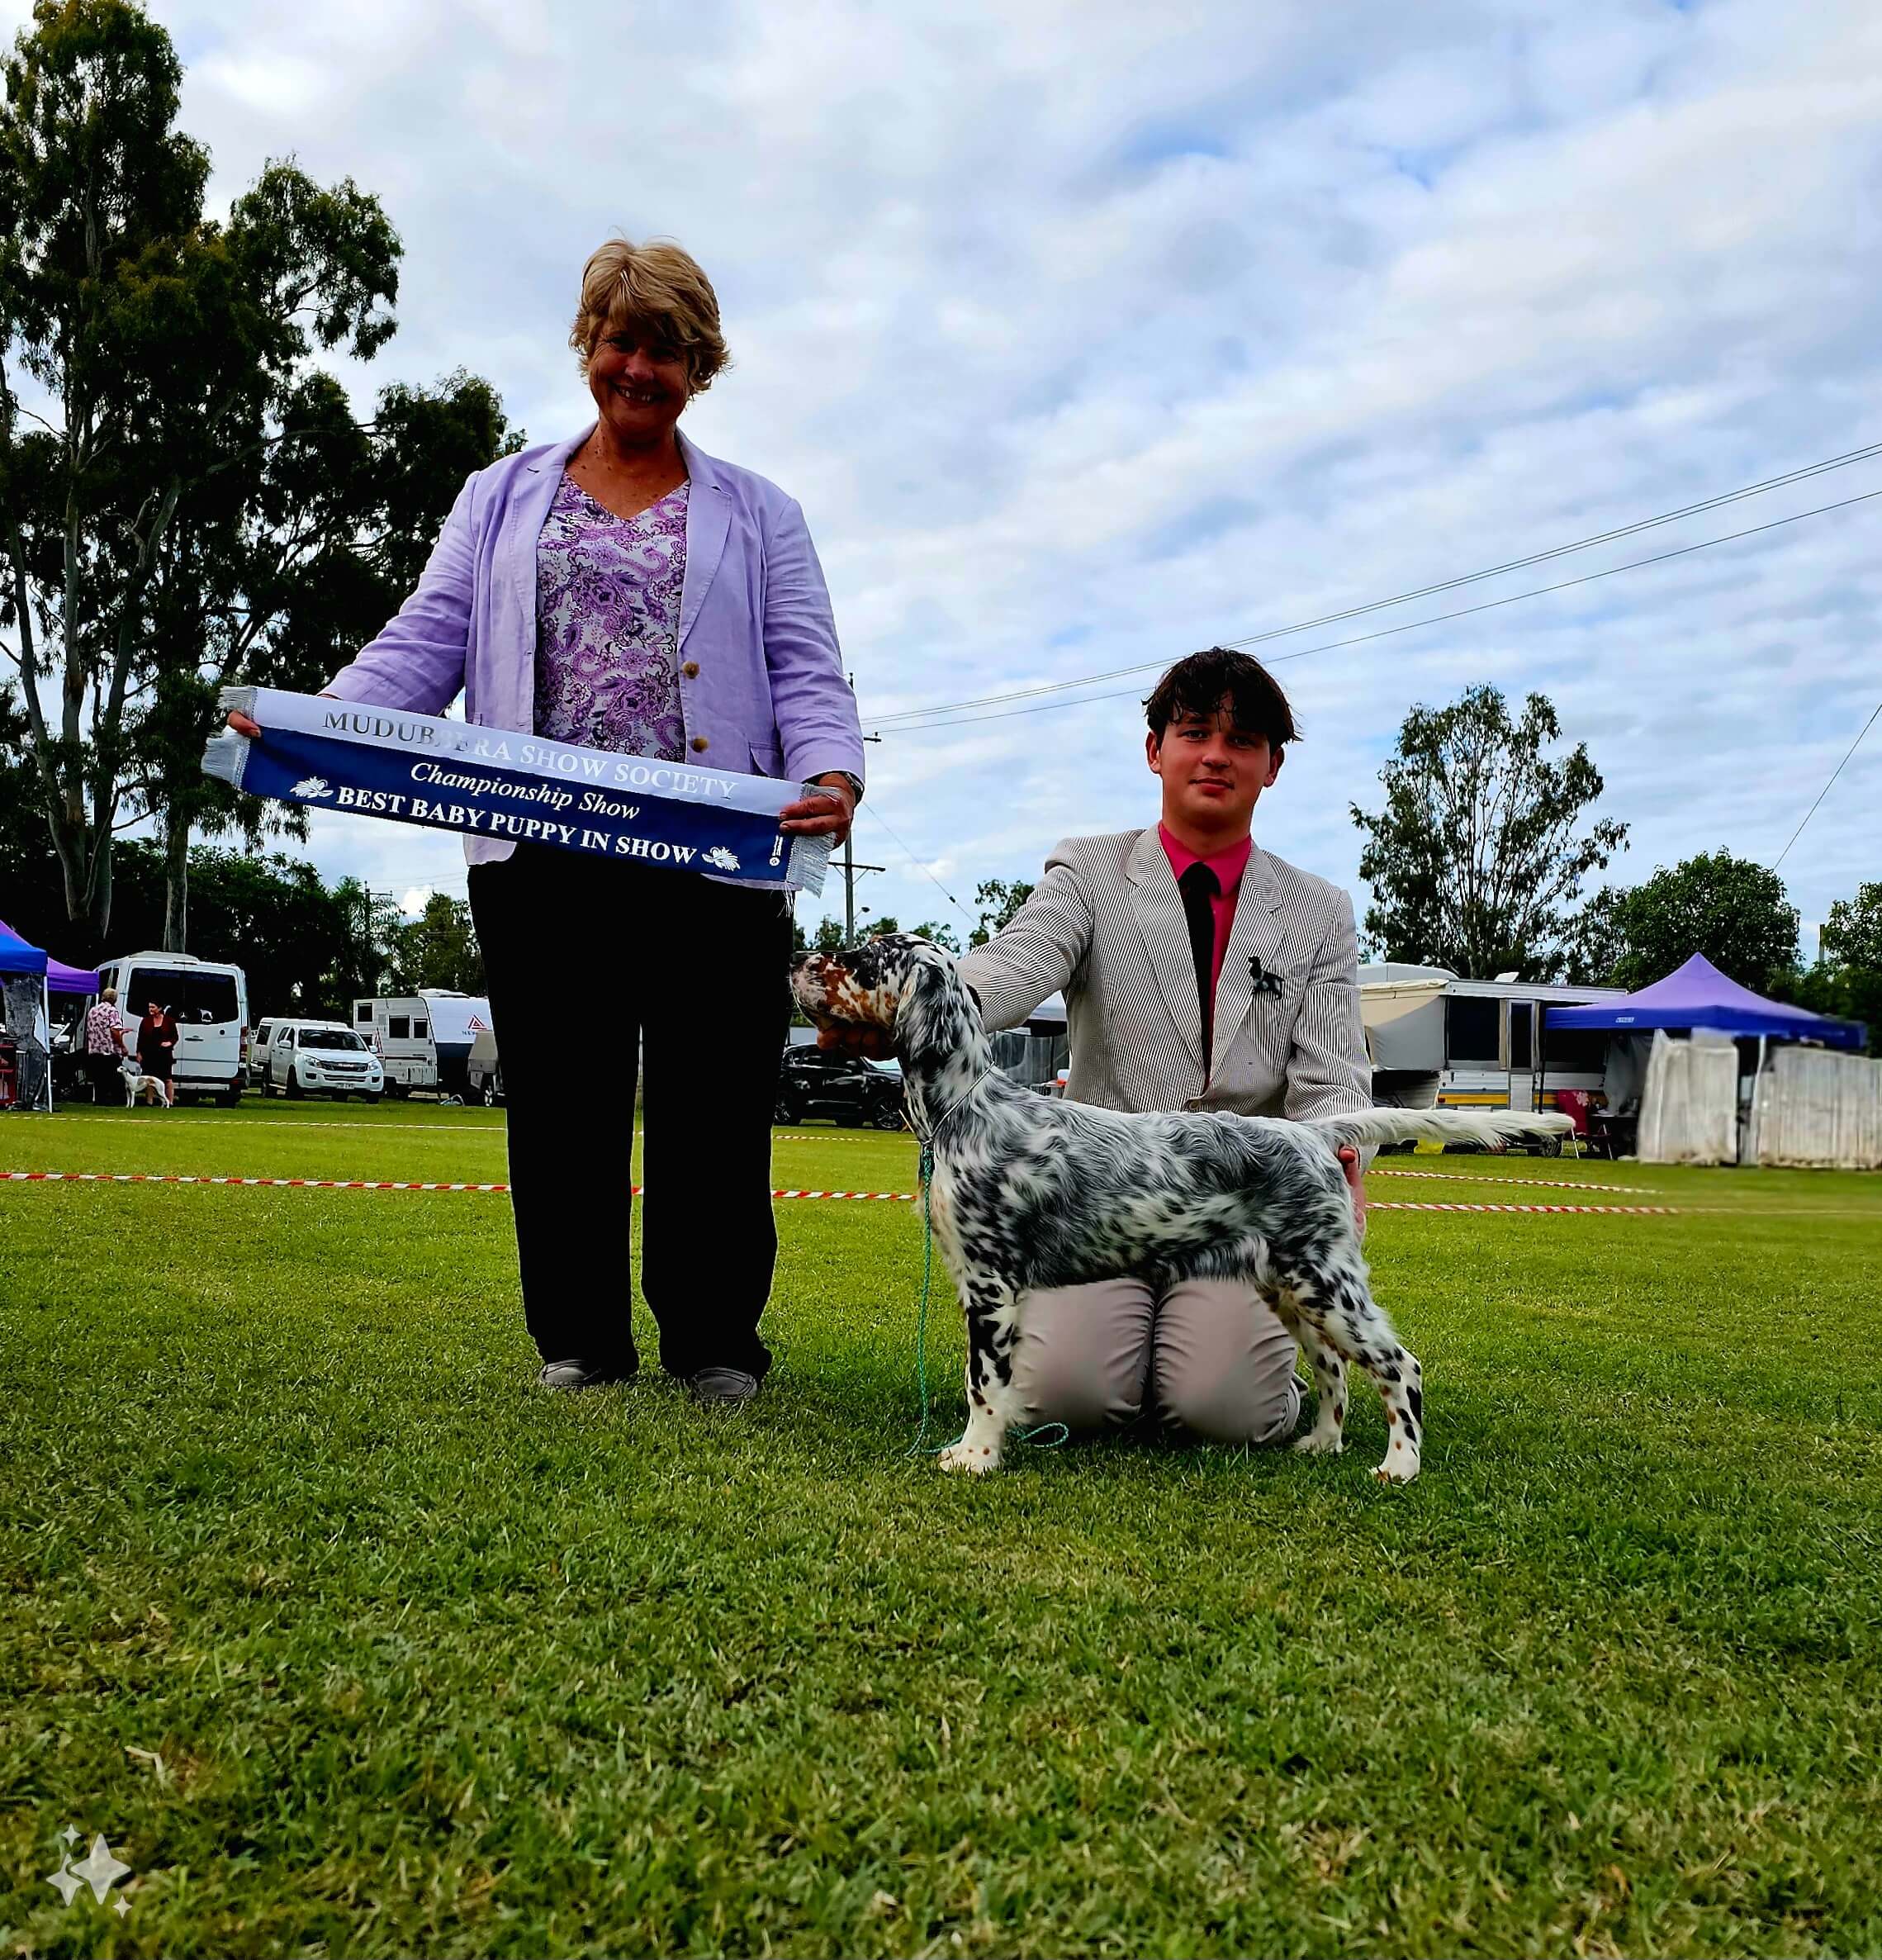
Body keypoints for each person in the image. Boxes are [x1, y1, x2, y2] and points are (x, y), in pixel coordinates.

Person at [229, 236, 864, 1406]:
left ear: (700, 368)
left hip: (714, 856)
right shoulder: (499, 497)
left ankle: (715, 1343)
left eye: (667, 351)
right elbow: (424, 644)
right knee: (563, 1106)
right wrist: (310, 725)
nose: (640, 369)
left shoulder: (761, 513)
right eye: (621, 342)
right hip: (538, 855)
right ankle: (580, 1341)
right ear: (588, 346)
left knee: (714, 1105)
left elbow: (805, 666)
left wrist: (831, 774)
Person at [955, 648, 1372, 1449]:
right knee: (1060, 1399)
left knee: (1225, 1411)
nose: (1216, 755)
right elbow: (1017, 961)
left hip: (1235, 1209)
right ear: (1154, 749)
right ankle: (1120, 1350)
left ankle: (1247, 1361)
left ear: (1272, 766)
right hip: (1092, 1200)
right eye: (1193, 732)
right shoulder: (1086, 871)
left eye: (1242, 740)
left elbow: (1333, 1079)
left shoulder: (1319, 911)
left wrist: (1339, 1159)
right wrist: (926, 1001)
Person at [83, 986, 128, 1103]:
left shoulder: (93, 1010)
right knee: (112, 1075)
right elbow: (114, 1030)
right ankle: (115, 1098)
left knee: (99, 1076)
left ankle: (99, 1099)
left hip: (94, 1048)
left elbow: (89, 1029)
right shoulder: (112, 1011)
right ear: (114, 999)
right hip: (108, 1049)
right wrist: (122, 1046)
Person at [135, 1004, 178, 1108]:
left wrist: (170, 1043)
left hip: (164, 1054)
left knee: (167, 1078)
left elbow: (175, 1037)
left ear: (160, 1008)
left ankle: (170, 1102)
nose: (150, 1009)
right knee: (149, 1079)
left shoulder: (169, 1021)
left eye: (153, 1007)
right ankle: (149, 1102)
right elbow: (140, 1038)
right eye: (149, 1007)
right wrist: (139, 1053)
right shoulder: (145, 1021)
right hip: (149, 1054)